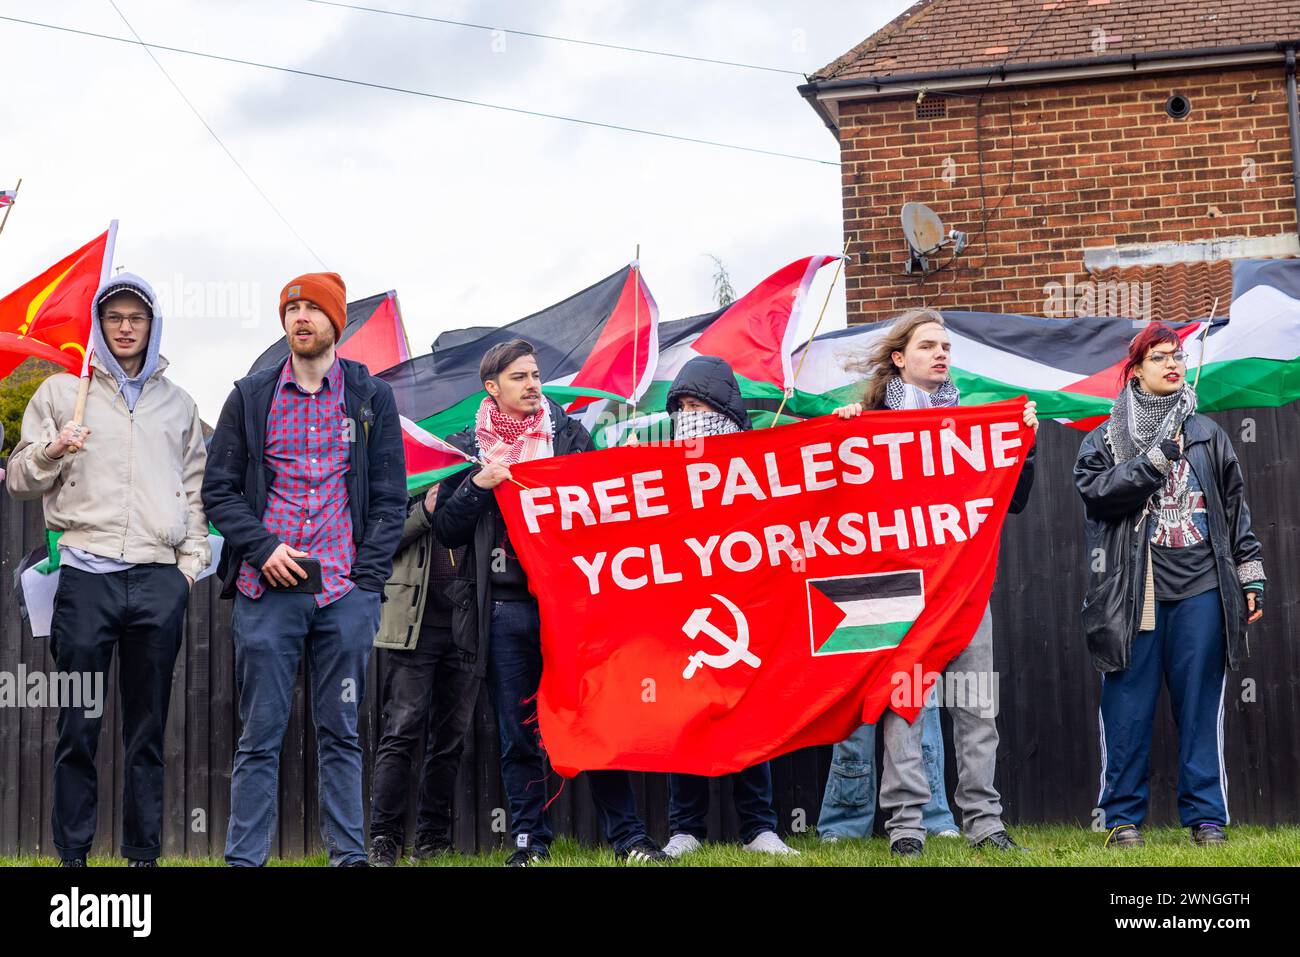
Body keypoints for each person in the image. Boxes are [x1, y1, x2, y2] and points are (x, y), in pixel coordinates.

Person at [431, 338, 667, 866]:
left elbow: (609, 506)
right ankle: (528, 844)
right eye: (520, 377)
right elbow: (446, 528)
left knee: (594, 717)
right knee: (519, 734)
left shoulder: (569, 435)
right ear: (492, 388)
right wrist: (477, 485)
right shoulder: (468, 447)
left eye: (536, 375)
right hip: (504, 608)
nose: (534, 385)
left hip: (572, 608)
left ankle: (629, 839)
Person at [202, 272, 406, 867]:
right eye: (291, 307)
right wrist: (262, 548)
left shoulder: (370, 398)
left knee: (341, 733)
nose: (300, 317)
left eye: (313, 308)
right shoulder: (251, 396)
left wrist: (367, 584)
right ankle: (245, 861)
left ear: (335, 322)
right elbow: (219, 491)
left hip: (344, 595)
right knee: (259, 736)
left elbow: (391, 497)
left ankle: (350, 858)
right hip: (266, 594)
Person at [7, 273, 210, 867]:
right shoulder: (61, 394)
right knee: (78, 727)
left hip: (156, 579)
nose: (125, 327)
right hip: (85, 578)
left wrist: (189, 568)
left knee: (148, 733)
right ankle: (72, 859)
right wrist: (51, 449)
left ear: (152, 325)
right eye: (115, 317)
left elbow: (194, 491)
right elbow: (20, 480)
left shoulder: (180, 405)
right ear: (99, 324)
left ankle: (142, 859)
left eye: (136, 318)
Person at [825, 308, 1038, 857]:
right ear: (900, 358)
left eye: (946, 346)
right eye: (927, 346)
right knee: (903, 708)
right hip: (895, 589)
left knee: (975, 705)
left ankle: (984, 821)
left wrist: (1024, 446)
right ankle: (906, 827)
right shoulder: (866, 423)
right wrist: (844, 433)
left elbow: (1013, 501)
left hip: (963, 587)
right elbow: (835, 504)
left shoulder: (973, 423)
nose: (941, 354)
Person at [1074, 322, 1264, 849]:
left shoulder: (1206, 433)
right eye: (1159, 357)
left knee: (1201, 706)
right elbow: (1099, 496)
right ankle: (1122, 821)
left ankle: (1207, 820)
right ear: (1135, 371)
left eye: (1176, 355)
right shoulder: (1105, 439)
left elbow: (1233, 511)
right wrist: (1157, 459)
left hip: (1203, 589)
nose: (1173, 364)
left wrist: (1251, 577)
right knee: (1128, 709)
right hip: (1137, 593)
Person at [656, 355, 799, 858]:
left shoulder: (759, 455)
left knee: (749, 714)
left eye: (698, 404)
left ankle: (759, 826)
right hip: (684, 607)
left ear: (723, 408)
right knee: (686, 714)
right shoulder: (660, 463)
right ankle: (684, 827)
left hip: (747, 605)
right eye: (682, 406)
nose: (689, 414)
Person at [367, 484, 478, 865]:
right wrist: (425, 511)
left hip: (466, 623)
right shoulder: (410, 476)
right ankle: (384, 838)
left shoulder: (482, 474)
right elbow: (376, 542)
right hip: (415, 625)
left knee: (451, 738)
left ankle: (432, 838)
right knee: (401, 730)